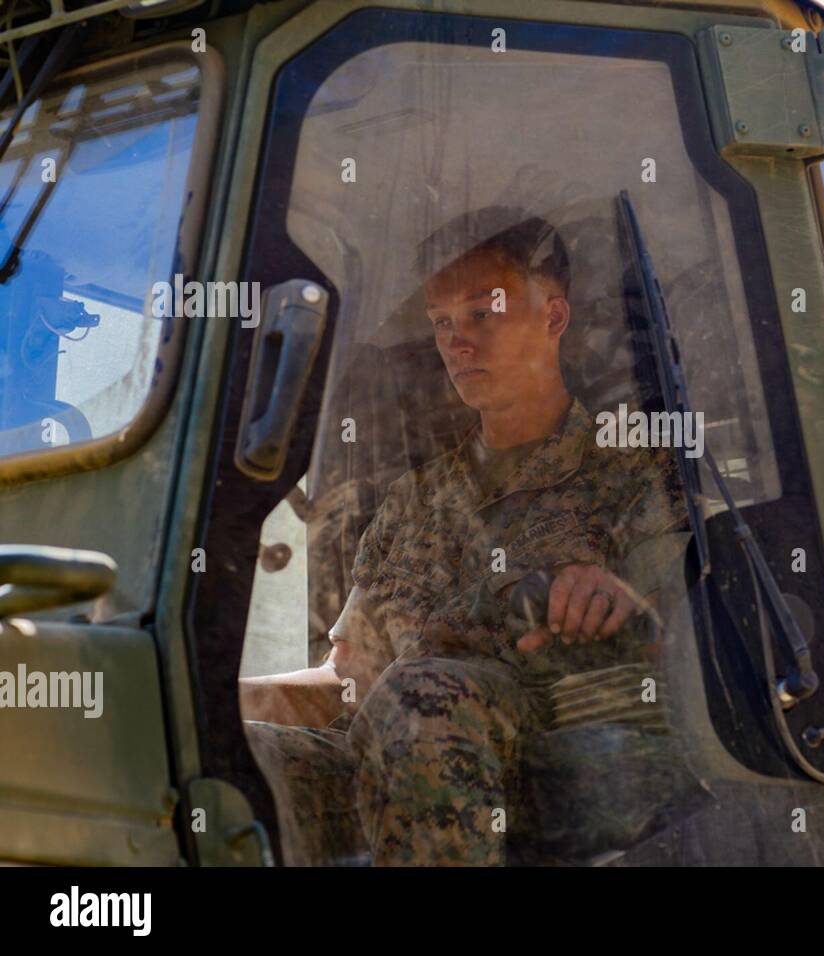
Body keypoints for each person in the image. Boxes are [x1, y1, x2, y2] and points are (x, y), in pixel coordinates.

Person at [240, 207, 688, 865]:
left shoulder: (635, 471)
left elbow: (696, 660)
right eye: (444, 324)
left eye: (484, 313)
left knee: (420, 693)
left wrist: (626, 603)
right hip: (399, 753)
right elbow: (350, 680)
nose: (458, 342)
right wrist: (223, 698)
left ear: (553, 318)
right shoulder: (412, 502)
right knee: (235, 752)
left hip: (562, 764)